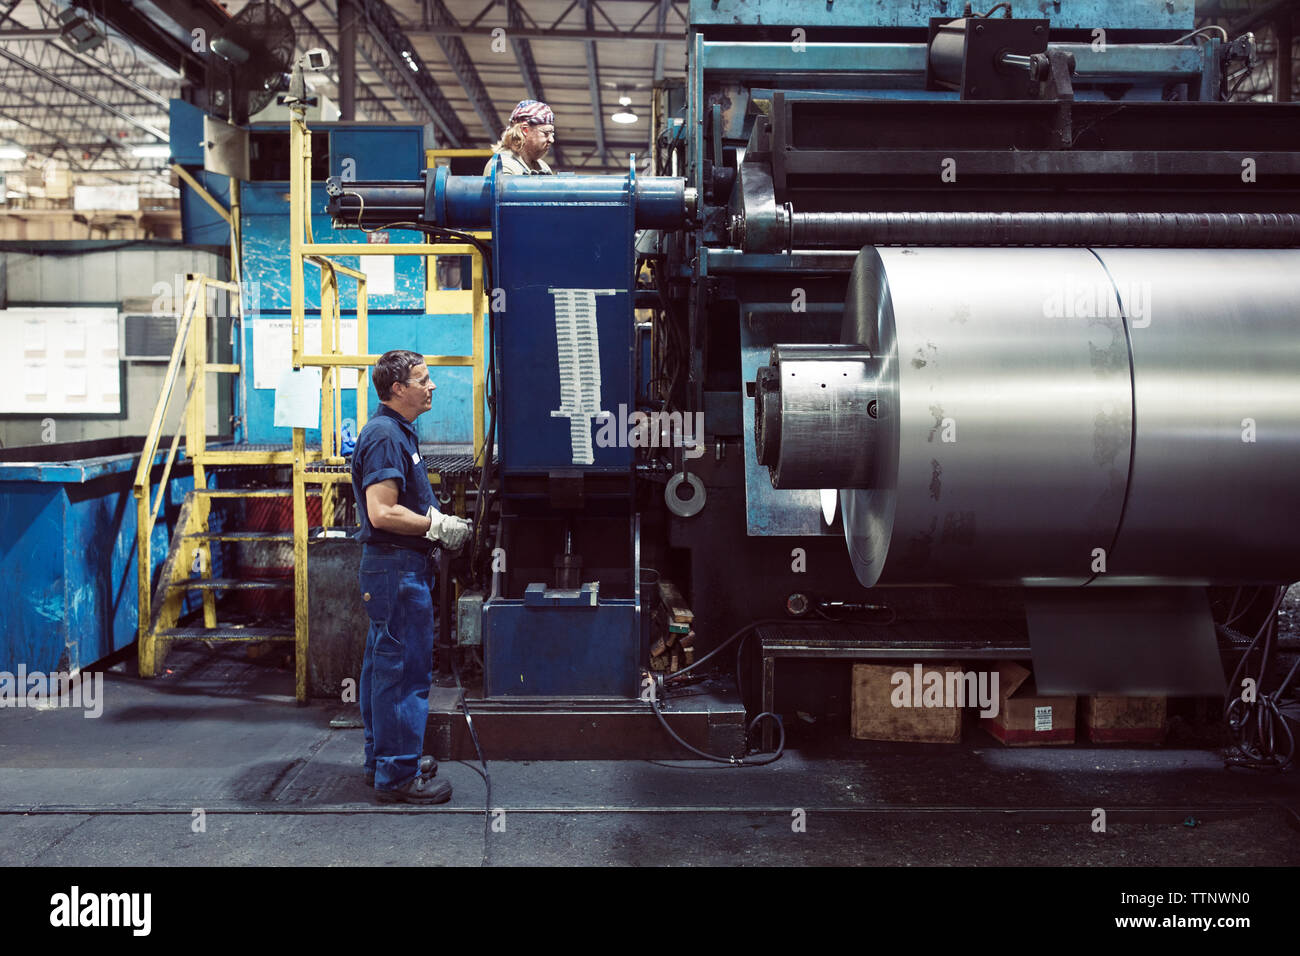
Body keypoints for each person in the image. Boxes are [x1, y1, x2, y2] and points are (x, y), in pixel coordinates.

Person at [351, 349, 471, 804]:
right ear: (398, 388)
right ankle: (398, 777)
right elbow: (382, 513)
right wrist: (436, 526)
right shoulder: (385, 435)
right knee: (403, 672)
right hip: (396, 569)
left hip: (394, 569)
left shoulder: (398, 430)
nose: (432, 386)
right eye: (423, 379)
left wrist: (435, 519)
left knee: (383, 669)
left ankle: (383, 761)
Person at [484, 99, 556, 176]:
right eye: (546, 133)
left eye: (552, 133)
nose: (551, 140)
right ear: (525, 130)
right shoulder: (502, 166)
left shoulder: (542, 166)